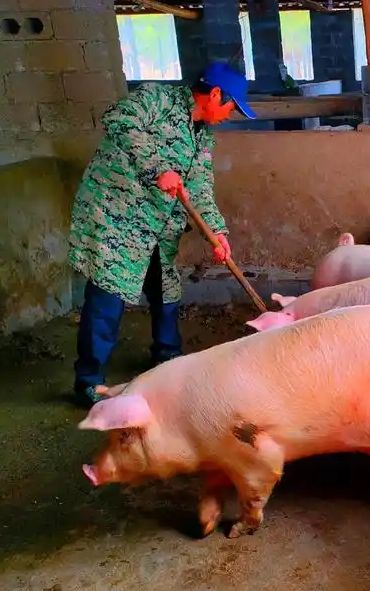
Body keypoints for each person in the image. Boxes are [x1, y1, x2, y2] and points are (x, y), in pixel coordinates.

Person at [67, 61, 256, 408]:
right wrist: (158, 169)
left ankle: (167, 356)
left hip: (159, 224)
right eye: (232, 107)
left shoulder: (203, 139)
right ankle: (89, 382)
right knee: (107, 299)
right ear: (214, 94)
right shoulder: (157, 99)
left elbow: (199, 189)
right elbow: (118, 119)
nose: (232, 115)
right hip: (117, 219)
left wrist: (217, 232)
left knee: (166, 290)